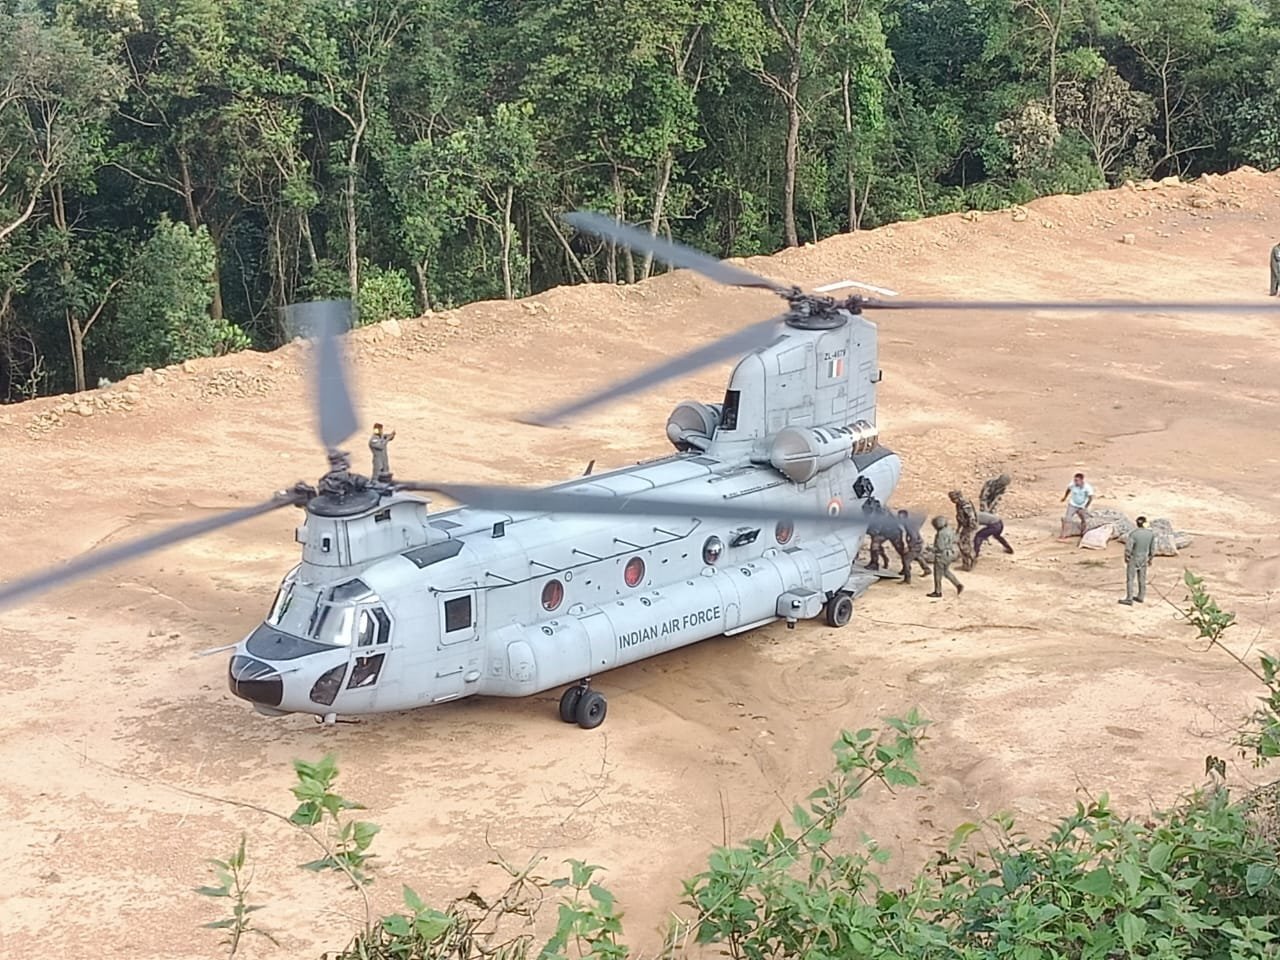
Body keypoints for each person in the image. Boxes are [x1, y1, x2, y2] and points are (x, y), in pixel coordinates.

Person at [1119, 515, 1156, 605]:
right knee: (1142, 578)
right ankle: (1141, 596)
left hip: (1134, 557)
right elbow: (1152, 548)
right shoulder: (1150, 534)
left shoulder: (1133, 534)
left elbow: (1129, 547)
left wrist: (1127, 557)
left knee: (1130, 579)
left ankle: (1129, 598)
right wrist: (1150, 558)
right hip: (1144, 558)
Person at [927, 516, 964, 598]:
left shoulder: (940, 534)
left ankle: (938, 591)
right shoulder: (949, 530)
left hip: (941, 555)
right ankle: (958, 584)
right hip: (950, 553)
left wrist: (930, 549)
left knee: (937, 574)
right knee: (946, 571)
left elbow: (940, 548)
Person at [895, 509, 931, 585]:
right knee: (917, 557)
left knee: (906, 560)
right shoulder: (908, 523)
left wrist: (909, 547)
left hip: (916, 545)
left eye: (900, 517)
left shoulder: (909, 525)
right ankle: (927, 570)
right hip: (918, 544)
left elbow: (914, 537)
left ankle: (907, 579)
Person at [949, 489, 979, 571]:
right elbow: (960, 517)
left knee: (964, 544)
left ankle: (970, 561)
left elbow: (971, 517)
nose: (952, 500)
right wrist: (958, 529)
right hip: (965, 526)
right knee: (961, 544)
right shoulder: (959, 504)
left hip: (969, 527)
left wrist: (968, 529)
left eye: (953, 498)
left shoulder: (965, 504)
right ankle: (968, 562)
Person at [1059, 472, 1094, 539]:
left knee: (1085, 520)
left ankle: (1084, 533)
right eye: (1075, 480)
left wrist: (1086, 506)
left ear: (1082, 480)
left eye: (1077, 480)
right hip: (1073, 504)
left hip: (1082, 506)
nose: (1075, 482)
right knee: (1067, 518)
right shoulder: (1072, 485)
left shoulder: (1087, 488)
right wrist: (1065, 497)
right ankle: (1064, 534)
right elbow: (1068, 489)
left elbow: (1090, 498)